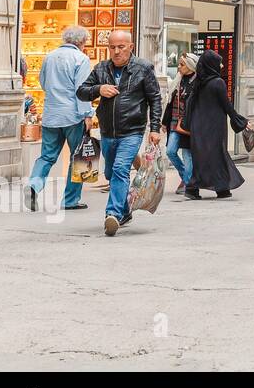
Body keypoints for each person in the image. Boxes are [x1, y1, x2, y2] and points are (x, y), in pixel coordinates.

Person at [76, 30, 162, 236]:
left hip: (132, 130)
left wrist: (155, 128)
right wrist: (99, 89)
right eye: (112, 47)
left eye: (121, 47)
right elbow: (81, 91)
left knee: (120, 169)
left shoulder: (143, 68)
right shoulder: (101, 68)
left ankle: (112, 214)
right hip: (107, 131)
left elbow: (155, 99)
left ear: (130, 47)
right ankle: (125, 211)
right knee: (110, 173)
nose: (116, 51)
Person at [26, 26, 94, 212]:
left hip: (51, 114)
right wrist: (88, 115)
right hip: (73, 115)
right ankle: (70, 200)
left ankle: (33, 185)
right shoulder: (81, 59)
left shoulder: (50, 56)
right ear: (81, 42)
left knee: (47, 156)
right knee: (78, 158)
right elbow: (82, 90)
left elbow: (43, 82)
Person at [180, 49, 247, 200]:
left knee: (203, 158)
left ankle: (213, 188)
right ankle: (212, 188)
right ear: (212, 65)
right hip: (213, 126)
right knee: (217, 155)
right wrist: (241, 122)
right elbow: (227, 105)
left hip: (198, 127)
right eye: (219, 62)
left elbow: (191, 104)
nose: (222, 65)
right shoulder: (218, 83)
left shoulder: (199, 82)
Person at [160, 53, 198, 194]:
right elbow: (170, 103)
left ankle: (189, 184)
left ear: (190, 66)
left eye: (182, 64)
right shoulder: (178, 80)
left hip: (189, 124)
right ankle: (185, 176)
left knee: (188, 155)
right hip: (175, 123)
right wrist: (164, 122)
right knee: (170, 151)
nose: (179, 67)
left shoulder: (197, 82)